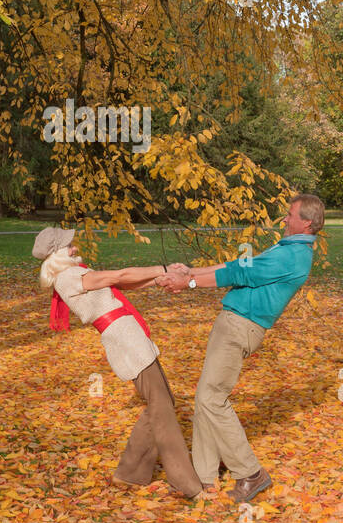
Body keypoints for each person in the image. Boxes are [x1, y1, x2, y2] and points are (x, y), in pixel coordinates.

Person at [157, 193, 325, 503]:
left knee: (212, 398)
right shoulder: (287, 247)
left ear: (308, 223)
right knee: (205, 398)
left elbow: (240, 273)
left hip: (240, 327)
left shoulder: (294, 257)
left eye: (290, 215)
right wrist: (190, 273)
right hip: (233, 322)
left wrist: (189, 284)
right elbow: (240, 264)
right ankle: (202, 477)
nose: (284, 219)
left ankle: (250, 473)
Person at [34, 226, 202, 499]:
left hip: (129, 336)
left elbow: (120, 284)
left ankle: (130, 473)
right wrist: (162, 268)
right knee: (161, 406)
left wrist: (160, 279)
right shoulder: (69, 277)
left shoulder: (74, 273)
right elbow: (120, 275)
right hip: (126, 341)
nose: (75, 248)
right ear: (57, 255)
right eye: (70, 246)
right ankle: (186, 484)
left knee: (162, 402)